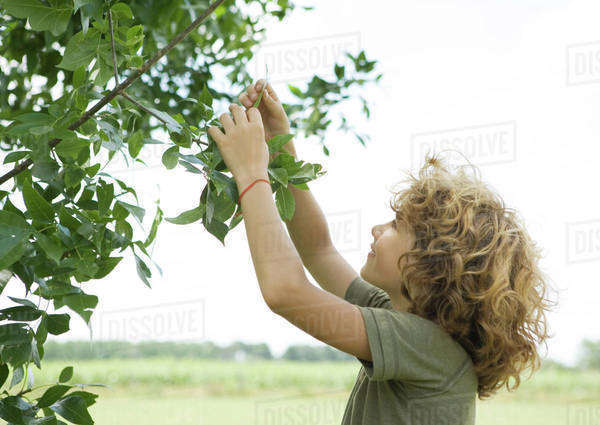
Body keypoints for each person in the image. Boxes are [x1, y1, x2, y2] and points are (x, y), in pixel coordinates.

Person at [207, 80, 555, 425]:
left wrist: (251, 174)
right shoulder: (407, 324)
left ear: (434, 263)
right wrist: (280, 150)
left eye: (396, 225)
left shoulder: (429, 347)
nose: (378, 229)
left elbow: (285, 292)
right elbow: (319, 251)